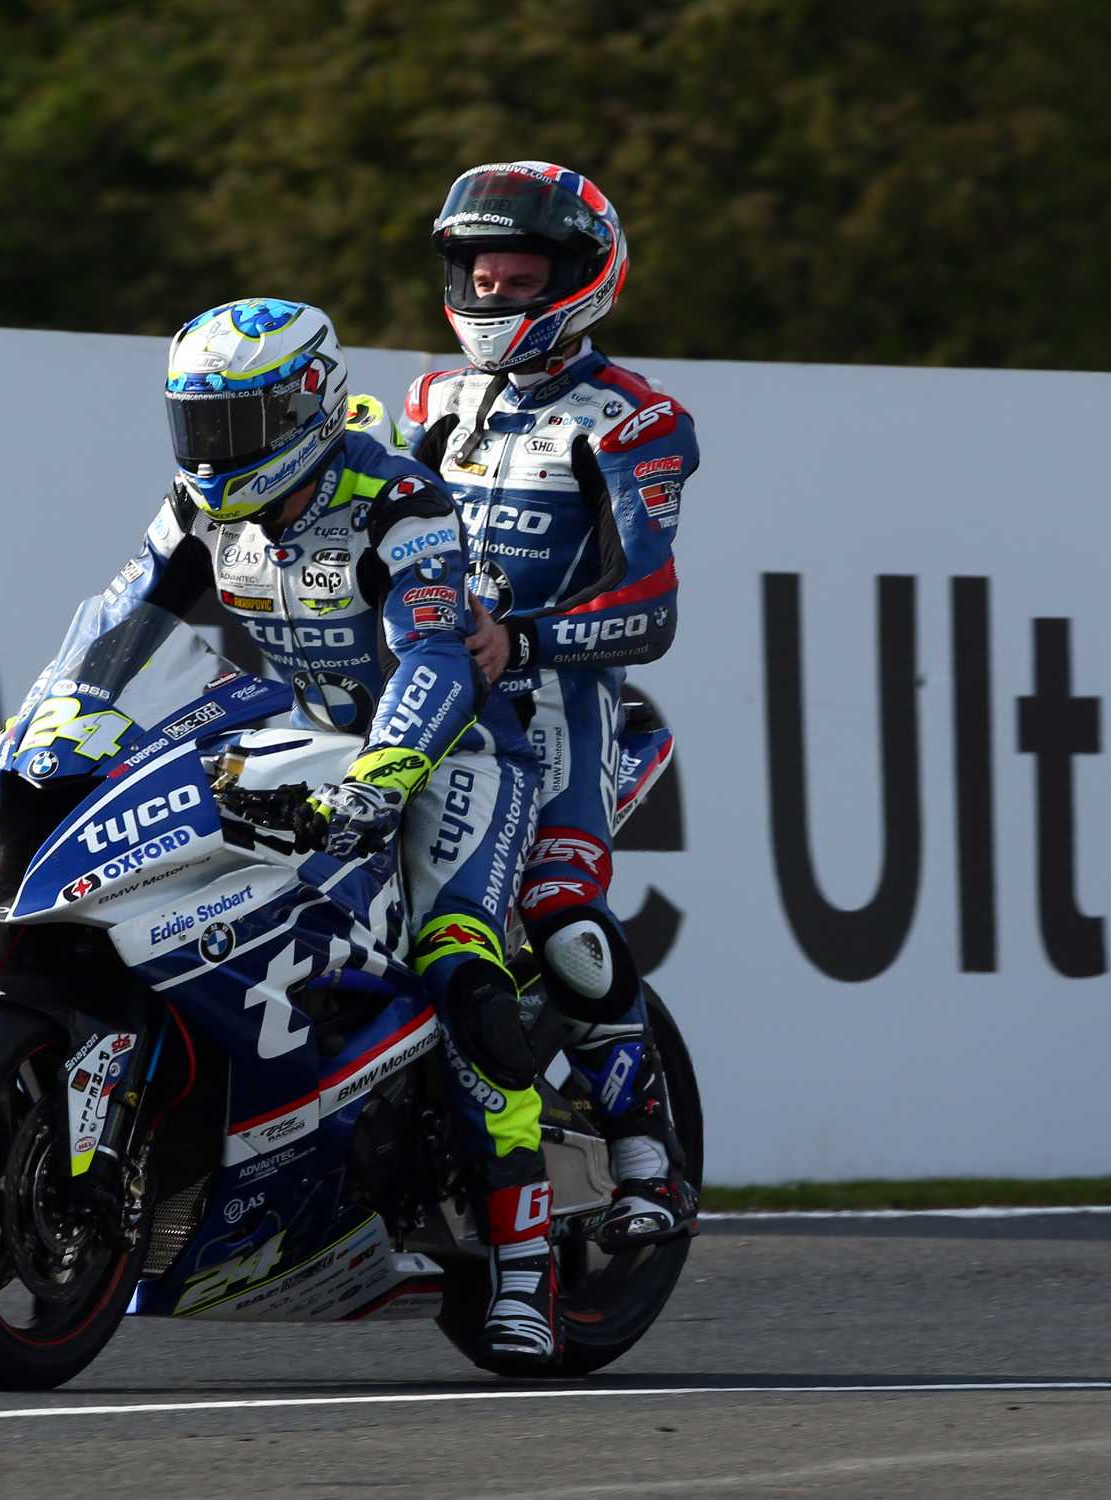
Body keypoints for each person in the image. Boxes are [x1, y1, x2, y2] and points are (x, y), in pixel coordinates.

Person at [105, 297, 558, 1367]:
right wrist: (73, 715)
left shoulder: (399, 499)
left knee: (459, 959)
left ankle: (527, 1261)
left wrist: (381, 778)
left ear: (305, 405)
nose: (212, 453)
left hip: (455, 754)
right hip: (303, 743)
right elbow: (124, 620)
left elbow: (438, 659)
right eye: (196, 426)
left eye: (237, 425)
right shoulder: (198, 509)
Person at [398, 162, 699, 1248]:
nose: (494, 297)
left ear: (579, 280)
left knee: (558, 911)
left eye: (520, 278)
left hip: (556, 710)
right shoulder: (428, 401)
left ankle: (645, 1155)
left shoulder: (632, 418)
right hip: (421, 702)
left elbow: (652, 604)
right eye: (479, 275)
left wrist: (522, 637)